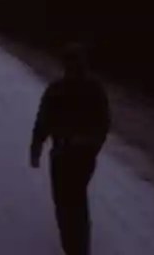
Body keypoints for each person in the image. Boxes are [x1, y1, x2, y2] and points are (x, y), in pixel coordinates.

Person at [30, 43, 111, 255]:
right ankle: (75, 246)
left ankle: (76, 248)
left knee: (69, 201)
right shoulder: (66, 89)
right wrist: (36, 147)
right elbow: (43, 120)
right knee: (71, 200)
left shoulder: (83, 89)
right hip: (71, 153)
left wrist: (36, 148)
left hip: (74, 153)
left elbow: (103, 123)